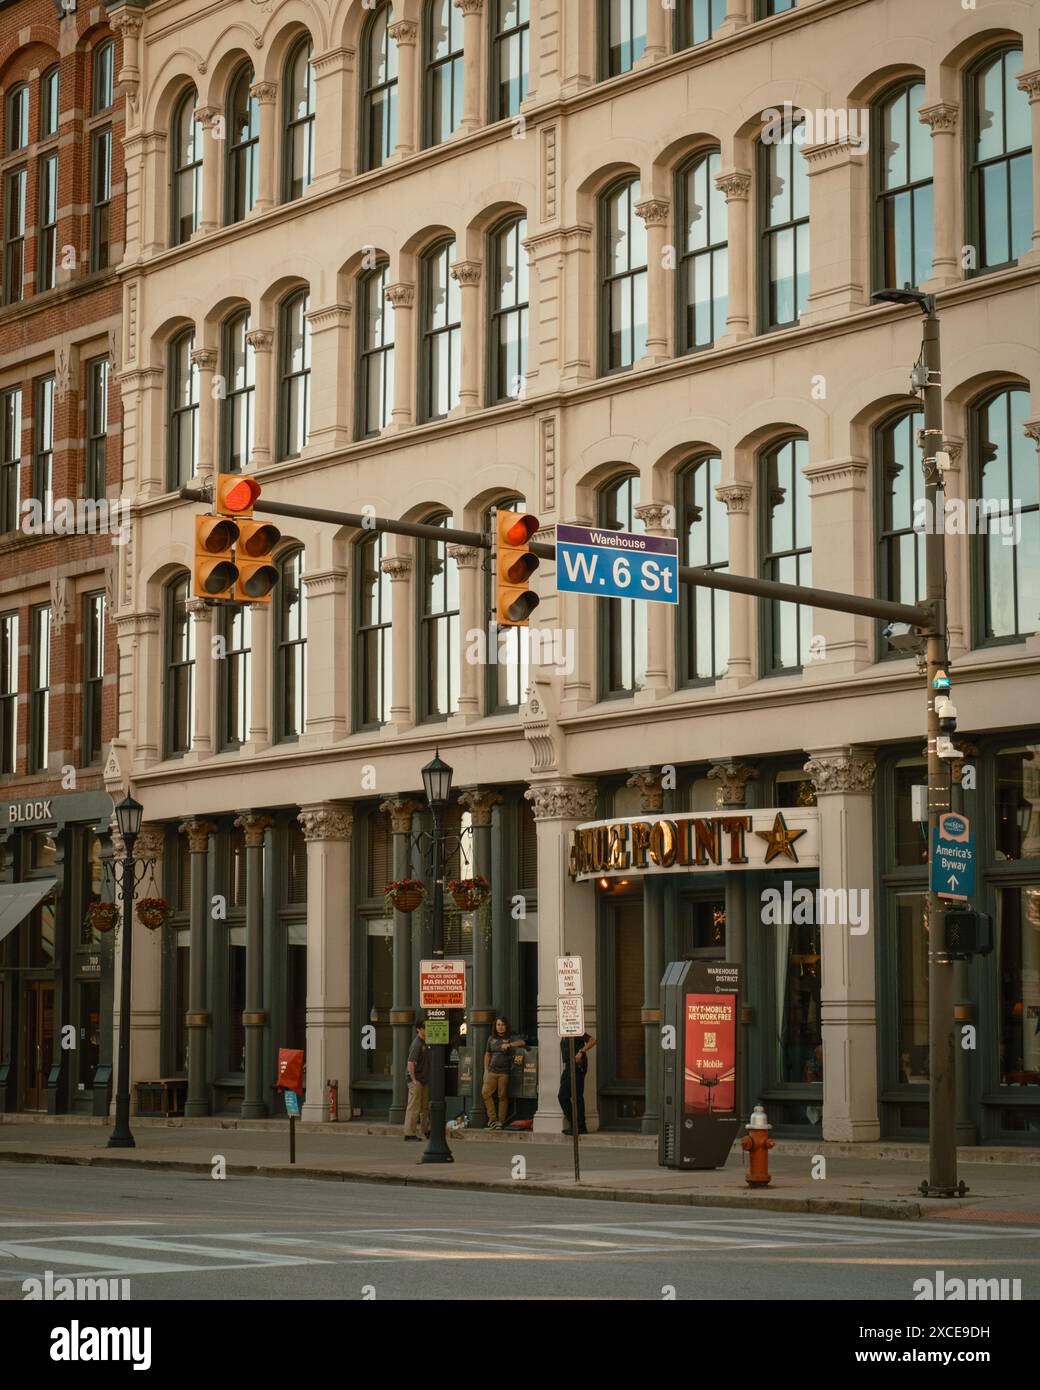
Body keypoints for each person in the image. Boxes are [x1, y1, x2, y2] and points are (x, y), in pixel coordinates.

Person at [482, 1015, 522, 1129]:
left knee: (502, 1096)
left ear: (506, 1026)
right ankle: (492, 1118)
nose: (500, 1027)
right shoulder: (491, 1039)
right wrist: (485, 1070)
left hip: (504, 1072)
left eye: (503, 1025)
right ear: (495, 1026)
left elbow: (522, 1042)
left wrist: (509, 1044)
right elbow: (487, 1054)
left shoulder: (510, 1037)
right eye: (498, 1025)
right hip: (491, 1071)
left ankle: (501, 1121)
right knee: (485, 1093)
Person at [559, 1032, 596, 1134]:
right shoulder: (563, 1033)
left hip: (577, 1066)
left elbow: (592, 1040)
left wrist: (581, 1052)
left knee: (577, 1096)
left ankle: (580, 1126)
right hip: (568, 1067)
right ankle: (575, 1124)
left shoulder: (575, 1030)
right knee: (563, 1096)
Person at [403, 1021, 430, 1141]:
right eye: (425, 1027)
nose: (428, 1029)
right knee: (414, 1107)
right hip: (416, 1080)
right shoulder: (417, 1044)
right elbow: (410, 1063)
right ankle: (409, 1133)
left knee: (424, 1108)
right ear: (419, 1029)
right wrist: (414, 1080)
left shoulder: (426, 1042)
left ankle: (426, 1130)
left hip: (423, 1080)